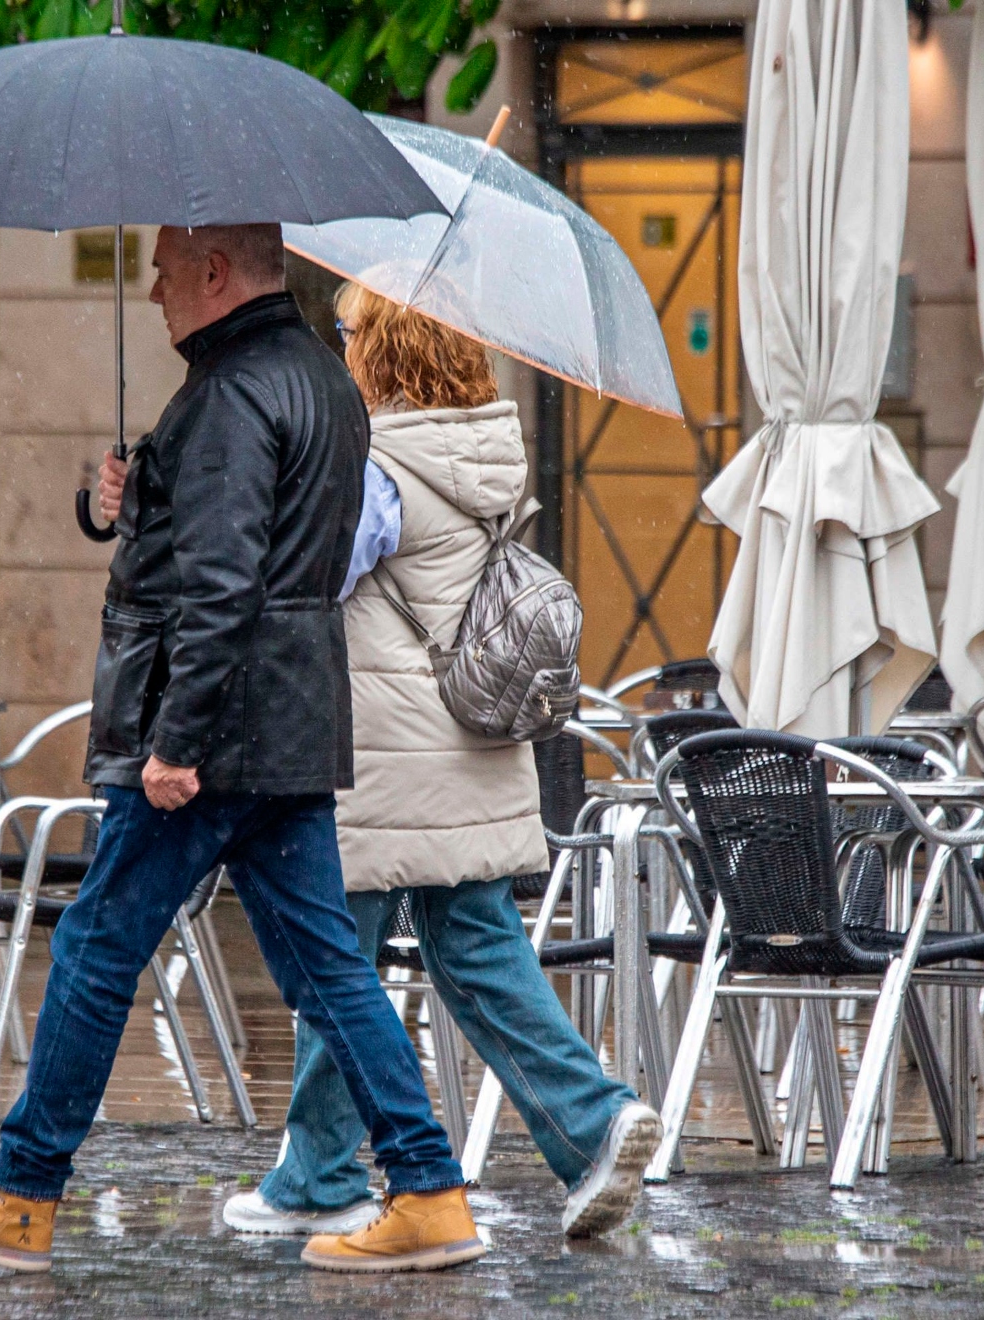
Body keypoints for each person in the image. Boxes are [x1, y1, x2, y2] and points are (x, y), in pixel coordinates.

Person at [0, 225, 485, 1276]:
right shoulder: (322, 381)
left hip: (217, 737)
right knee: (330, 968)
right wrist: (116, 496)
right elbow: (281, 550)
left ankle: (22, 1192)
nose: (152, 291)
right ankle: (428, 1189)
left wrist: (176, 740)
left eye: (165, 270)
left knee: (98, 945)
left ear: (215, 273)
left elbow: (221, 584)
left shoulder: (228, 398)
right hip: (291, 720)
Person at [220, 283, 662, 1244]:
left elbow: (311, 581)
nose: (335, 349)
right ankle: (595, 1124)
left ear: (379, 355)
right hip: (472, 756)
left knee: (338, 962)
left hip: (381, 764)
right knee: (480, 952)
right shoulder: (485, 456)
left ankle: (319, 1173)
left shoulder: (379, 469)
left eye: (345, 334)